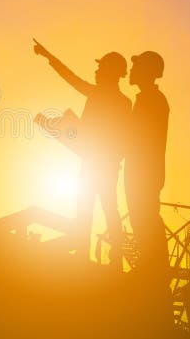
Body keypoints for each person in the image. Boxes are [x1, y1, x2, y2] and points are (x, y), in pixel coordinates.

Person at [34, 40, 131, 268]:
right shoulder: (122, 102)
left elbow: (70, 77)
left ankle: (88, 253)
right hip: (99, 162)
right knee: (101, 207)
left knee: (93, 207)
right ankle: (101, 254)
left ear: (110, 72)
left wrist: (48, 55)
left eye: (101, 68)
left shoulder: (104, 96)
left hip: (98, 163)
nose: (96, 71)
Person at [125, 51, 169, 273]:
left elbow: (141, 137)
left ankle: (155, 269)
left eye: (137, 66)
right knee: (141, 218)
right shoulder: (147, 99)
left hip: (144, 172)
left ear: (147, 71)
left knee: (145, 217)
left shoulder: (153, 100)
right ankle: (151, 267)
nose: (131, 70)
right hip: (140, 170)